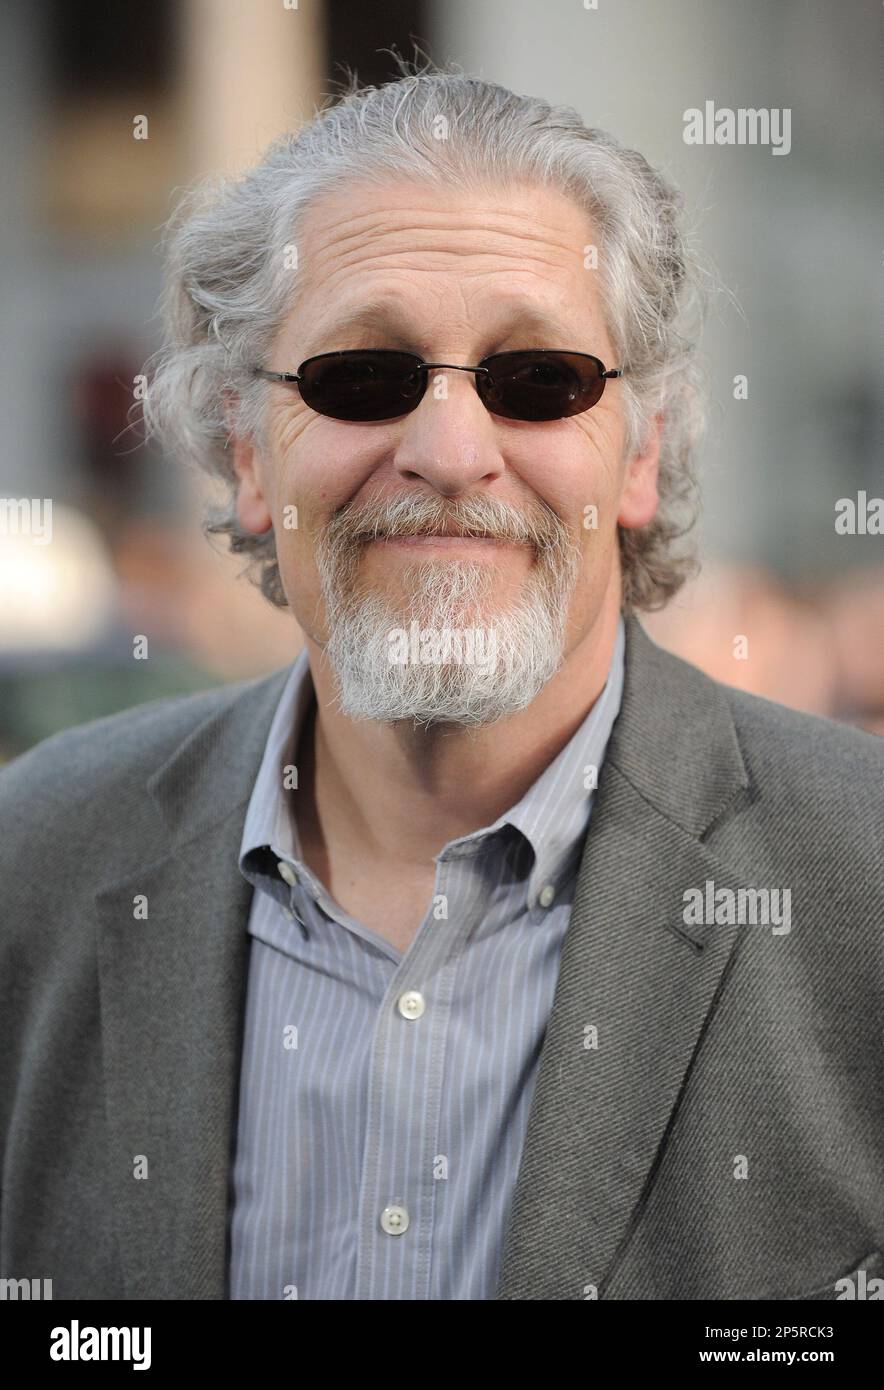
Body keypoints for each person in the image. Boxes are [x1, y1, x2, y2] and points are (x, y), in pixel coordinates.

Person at [2, 63, 882, 1303]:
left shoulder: (861, 879)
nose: (452, 453)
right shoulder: (34, 860)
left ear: (641, 455)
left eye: (539, 382)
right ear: (247, 455)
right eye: (364, 375)